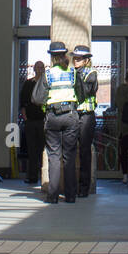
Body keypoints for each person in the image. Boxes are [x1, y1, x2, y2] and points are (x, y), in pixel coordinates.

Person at [32, 42, 79, 203]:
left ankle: (52, 196)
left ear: (51, 56)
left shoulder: (48, 74)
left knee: (54, 155)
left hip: (53, 117)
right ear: (65, 54)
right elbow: (82, 93)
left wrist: (48, 101)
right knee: (69, 156)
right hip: (71, 115)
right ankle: (71, 195)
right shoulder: (73, 73)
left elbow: (37, 98)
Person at [73, 45, 98, 198]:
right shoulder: (72, 73)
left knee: (84, 151)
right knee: (69, 150)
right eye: (74, 58)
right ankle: (71, 186)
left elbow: (85, 93)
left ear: (87, 60)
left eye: (79, 58)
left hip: (86, 116)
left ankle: (84, 187)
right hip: (72, 115)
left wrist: (76, 77)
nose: (75, 61)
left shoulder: (91, 73)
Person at [20, 60, 46, 185]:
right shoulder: (28, 84)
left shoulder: (47, 84)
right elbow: (23, 103)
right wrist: (25, 118)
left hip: (43, 121)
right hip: (30, 120)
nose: (40, 69)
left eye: (42, 67)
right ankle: (32, 176)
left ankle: (45, 176)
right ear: (34, 69)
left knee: (43, 149)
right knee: (32, 150)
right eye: (38, 67)